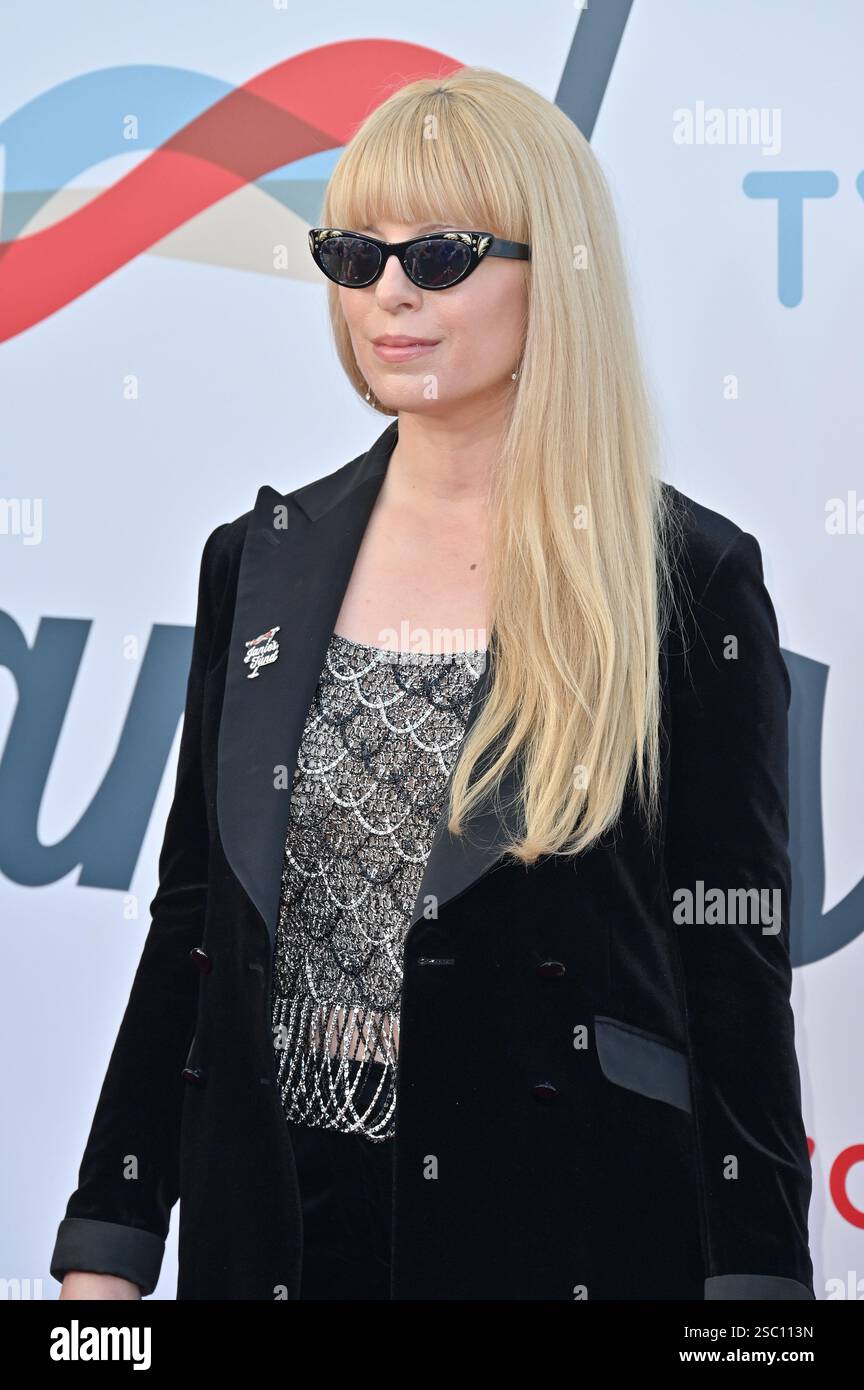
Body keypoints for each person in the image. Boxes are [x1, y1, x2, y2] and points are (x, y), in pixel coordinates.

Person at [53, 66, 814, 1301]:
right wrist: (107, 1253)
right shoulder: (257, 562)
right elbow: (194, 928)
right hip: (276, 1236)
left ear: (552, 271)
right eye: (356, 255)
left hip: (565, 1234)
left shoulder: (689, 581)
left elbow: (733, 980)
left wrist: (764, 1310)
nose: (389, 292)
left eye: (444, 254)